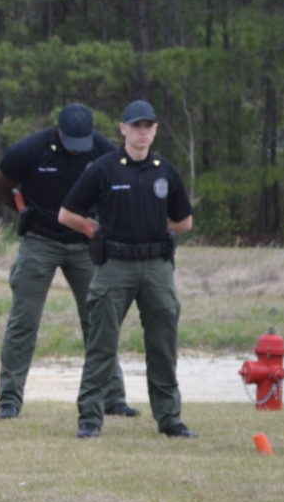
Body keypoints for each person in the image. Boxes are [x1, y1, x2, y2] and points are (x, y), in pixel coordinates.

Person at [58, 100, 197, 440]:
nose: (142, 133)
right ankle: (90, 418)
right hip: (114, 266)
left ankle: (170, 419)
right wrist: (94, 231)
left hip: (156, 267)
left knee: (163, 346)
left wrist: (153, 229)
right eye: (136, 126)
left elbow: (185, 222)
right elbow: (66, 214)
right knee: (102, 345)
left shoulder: (165, 170)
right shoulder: (104, 168)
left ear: (155, 131)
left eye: (148, 126)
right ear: (123, 129)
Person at [0, 104, 131, 421]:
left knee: (98, 321)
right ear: (58, 129)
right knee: (23, 322)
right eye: (70, 141)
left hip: (84, 244)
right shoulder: (29, 150)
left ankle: (113, 397)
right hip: (40, 240)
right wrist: (21, 208)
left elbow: (119, 190)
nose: (76, 149)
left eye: (81, 142)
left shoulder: (104, 151)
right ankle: (9, 400)